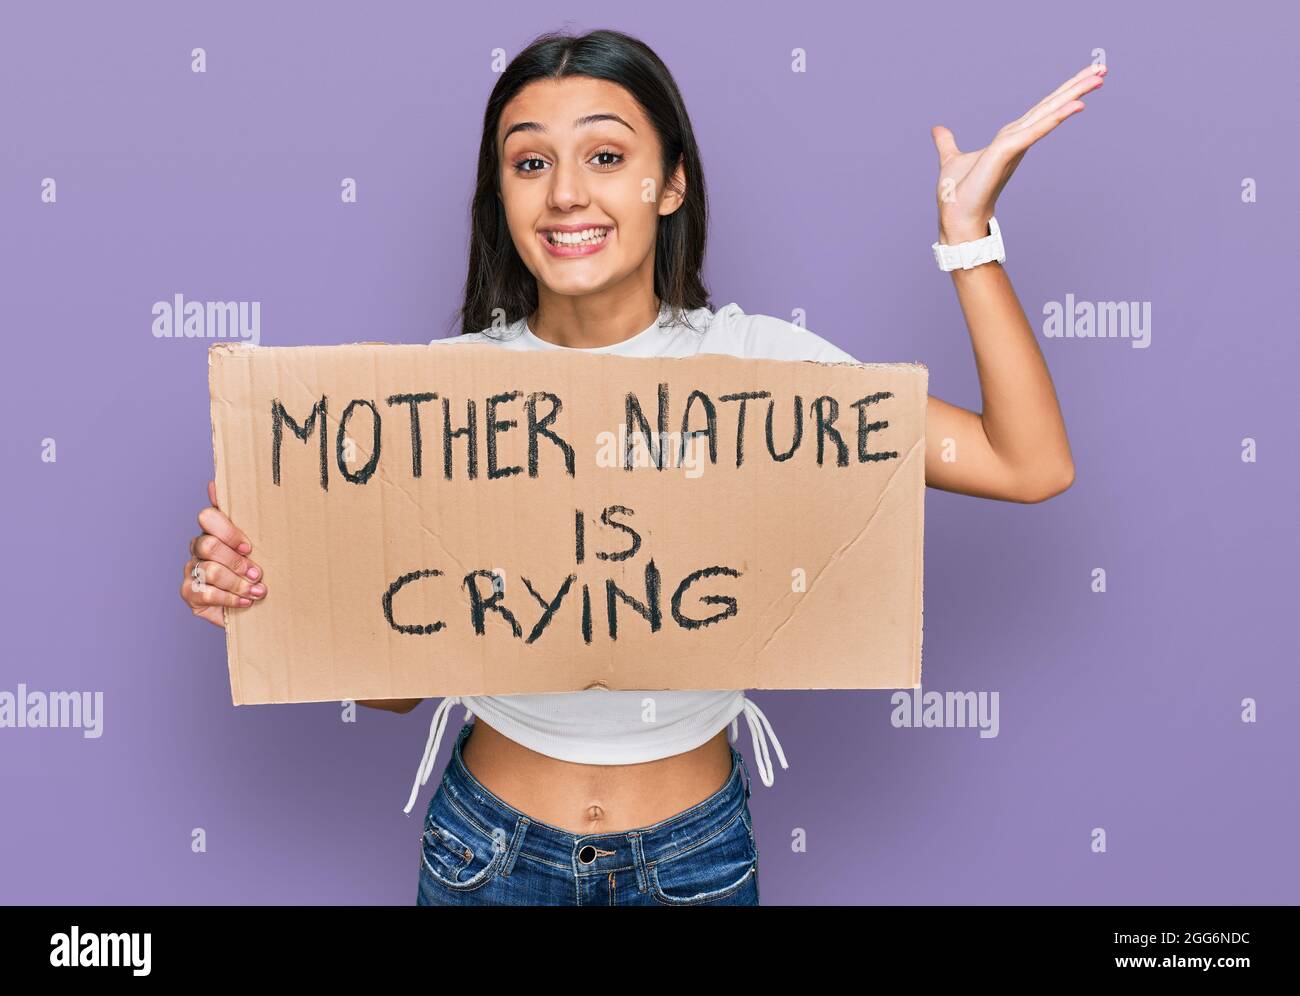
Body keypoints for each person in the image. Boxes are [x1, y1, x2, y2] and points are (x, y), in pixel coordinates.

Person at [180, 28, 1100, 905]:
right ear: (501, 194)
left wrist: (968, 236)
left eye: (606, 156)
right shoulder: (441, 397)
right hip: (485, 856)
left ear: (672, 185)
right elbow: (394, 688)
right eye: (530, 163)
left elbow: (1026, 463)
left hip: (694, 857)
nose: (565, 193)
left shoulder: (761, 367)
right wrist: (266, 593)